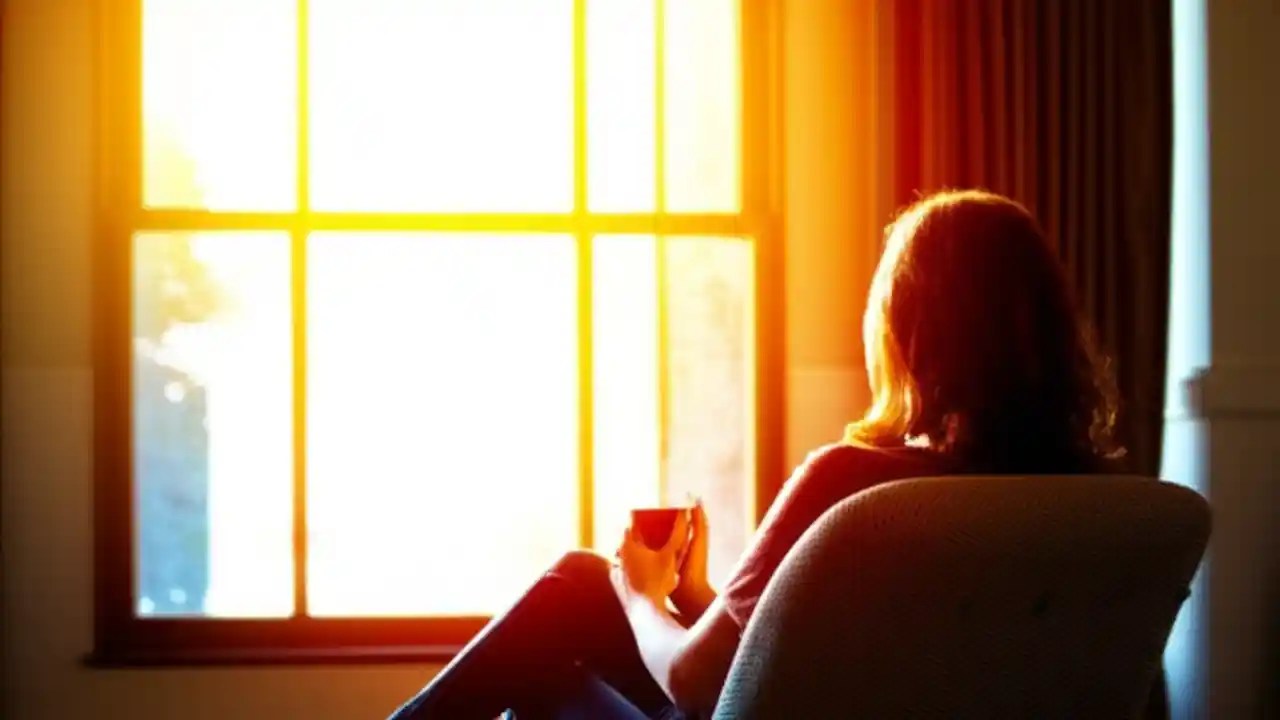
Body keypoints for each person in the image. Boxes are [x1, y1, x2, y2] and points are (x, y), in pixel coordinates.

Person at [387, 190, 1123, 719]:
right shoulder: (1090, 507)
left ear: (909, 335)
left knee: (572, 623)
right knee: (580, 593)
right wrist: (706, 601)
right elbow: (827, 669)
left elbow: (698, 688)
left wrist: (641, 592)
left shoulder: (860, 486)